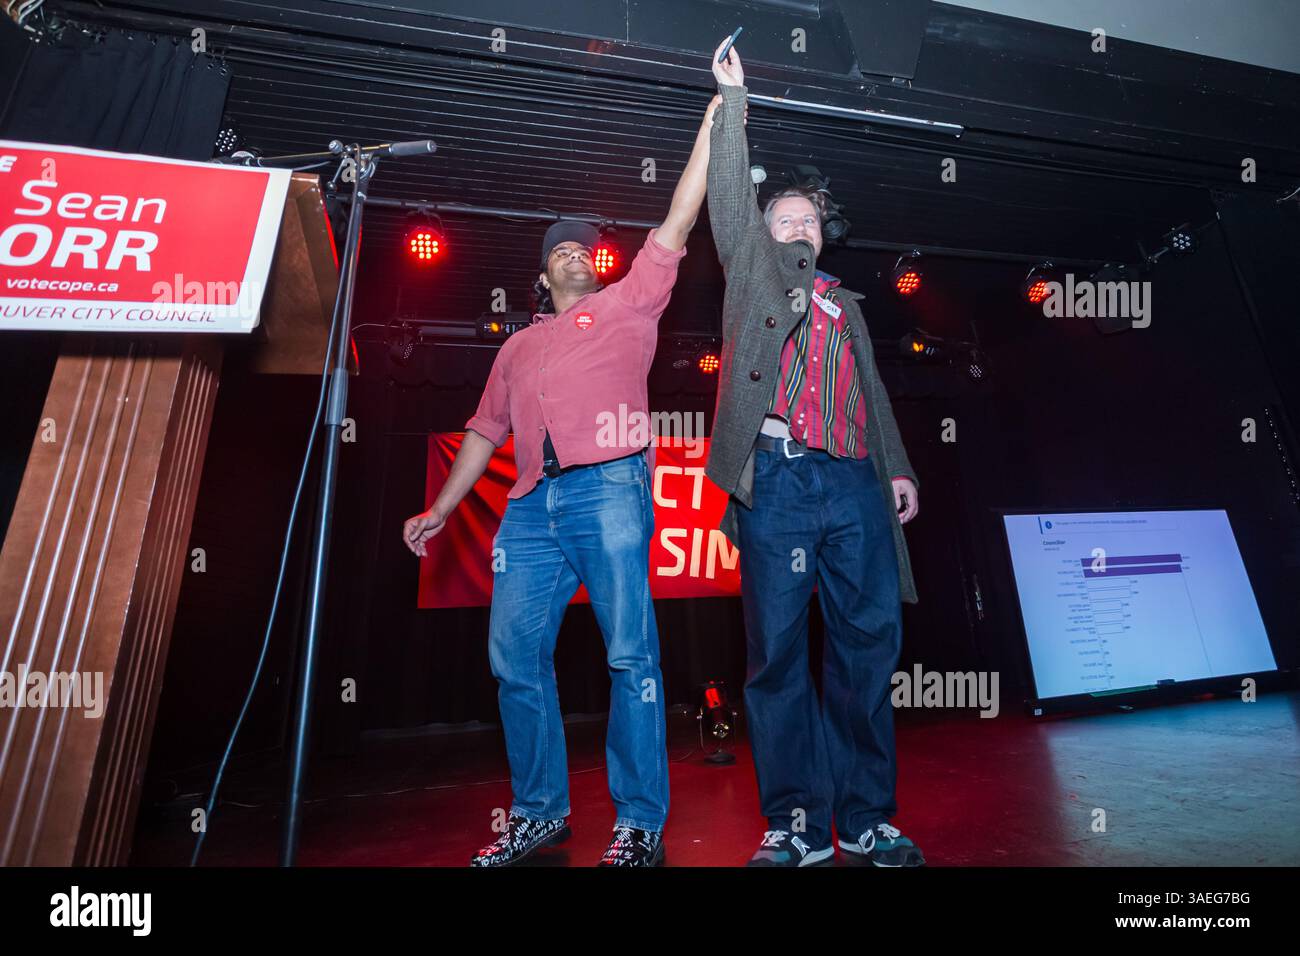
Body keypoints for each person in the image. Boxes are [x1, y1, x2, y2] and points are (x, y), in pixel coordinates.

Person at [403, 96, 722, 867]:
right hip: (526, 511)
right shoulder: (516, 350)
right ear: (542, 278)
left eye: (584, 248)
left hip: (608, 487)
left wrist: (718, 123)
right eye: (560, 252)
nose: (576, 254)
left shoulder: (629, 307)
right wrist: (441, 509)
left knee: (629, 656)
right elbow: (484, 430)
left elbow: (678, 219)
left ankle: (640, 820)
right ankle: (540, 812)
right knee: (514, 662)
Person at [704, 37, 926, 867]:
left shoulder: (848, 307)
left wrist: (898, 467)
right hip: (782, 486)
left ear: (824, 236)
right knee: (777, 657)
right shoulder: (752, 276)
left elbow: (873, 398)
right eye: (783, 218)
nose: (798, 226)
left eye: (808, 220)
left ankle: (867, 817)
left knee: (868, 646)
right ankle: (795, 822)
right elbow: (729, 199)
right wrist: (734, 105)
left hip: (855, 486)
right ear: (764, 234)